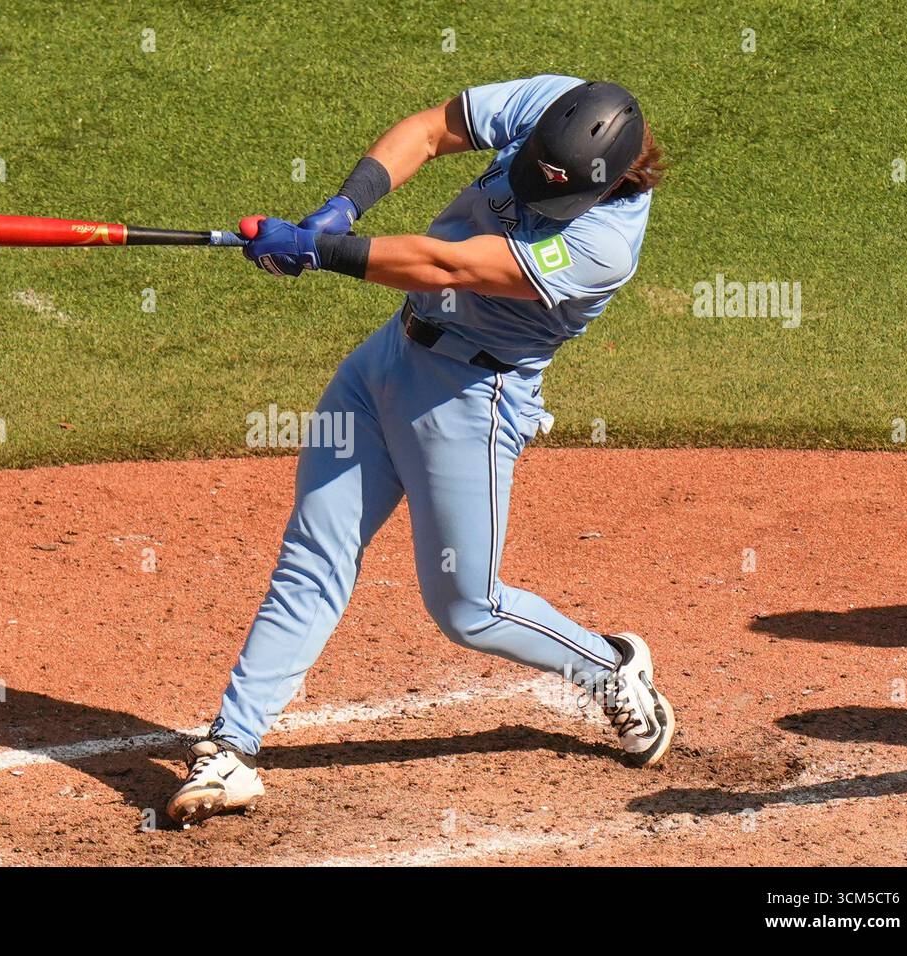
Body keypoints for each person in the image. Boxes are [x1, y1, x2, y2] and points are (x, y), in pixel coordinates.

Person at [168, 75, 673, 826]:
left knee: (469, 607)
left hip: (471, 401)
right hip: (385, 362)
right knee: (314, 551)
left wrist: (319, 251)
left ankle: (609, 667)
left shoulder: (602, 246)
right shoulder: (557, 106)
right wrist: (343, 208)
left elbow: (448, 267)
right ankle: (233, 748)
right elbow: (434, 128)